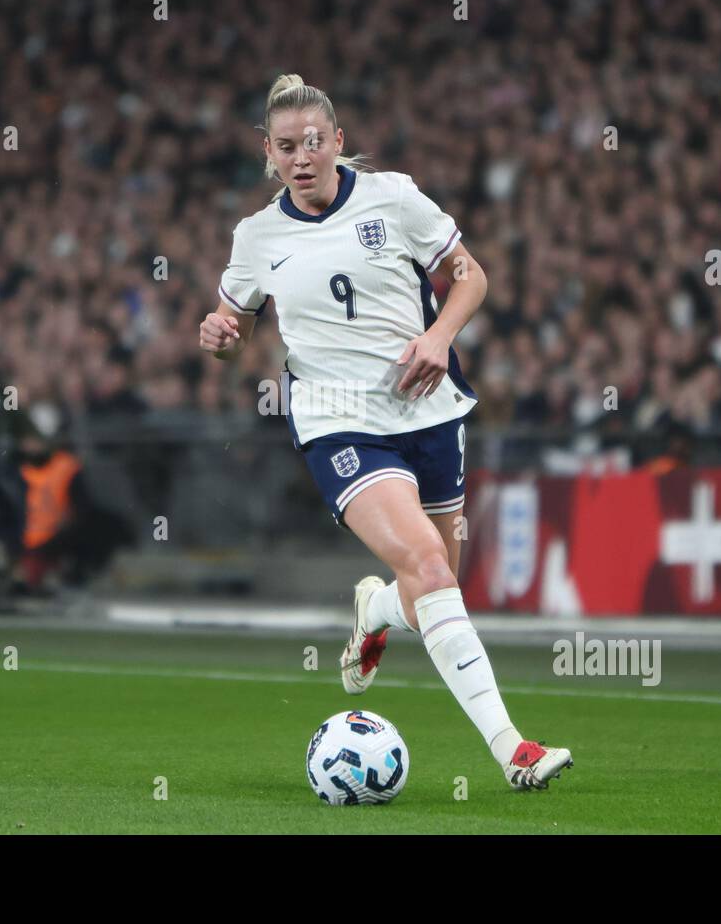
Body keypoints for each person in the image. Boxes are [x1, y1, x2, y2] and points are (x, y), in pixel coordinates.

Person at [198, 73, 572, 791]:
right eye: (286, 147)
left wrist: (439, 334)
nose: (302, 157)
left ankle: (375, 608)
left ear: (338, 141)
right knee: (431, 569)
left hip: (428, 409)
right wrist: (218, 334)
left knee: (433, 585)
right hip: (338, 419)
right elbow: (232, 327)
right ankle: (512, 749)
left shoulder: (393, 198)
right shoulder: (257, 237)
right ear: (268, 155)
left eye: (314, 142)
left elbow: (470, 277)